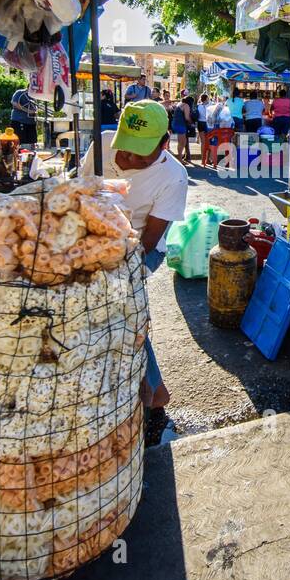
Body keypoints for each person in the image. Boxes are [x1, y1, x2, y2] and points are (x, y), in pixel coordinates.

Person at [79, 100, 188, 409]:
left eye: (139, 153)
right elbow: (81, 192)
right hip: (92, 237)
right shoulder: (101, 144)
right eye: (125, 147)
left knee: (120, 309)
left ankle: (154, 391)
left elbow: (149, 242)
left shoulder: (173, 177)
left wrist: (106, 260)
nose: (127, 157)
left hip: (139, 248)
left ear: (164, 143)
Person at [170, 93, 193, 164]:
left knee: (183, 141)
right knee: (181, 143)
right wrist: (191, 122)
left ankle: (180, 158)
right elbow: (187, 117)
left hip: (176, 123)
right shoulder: (186, 105)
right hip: (180, 124)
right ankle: (180, 159)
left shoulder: (180, 104)